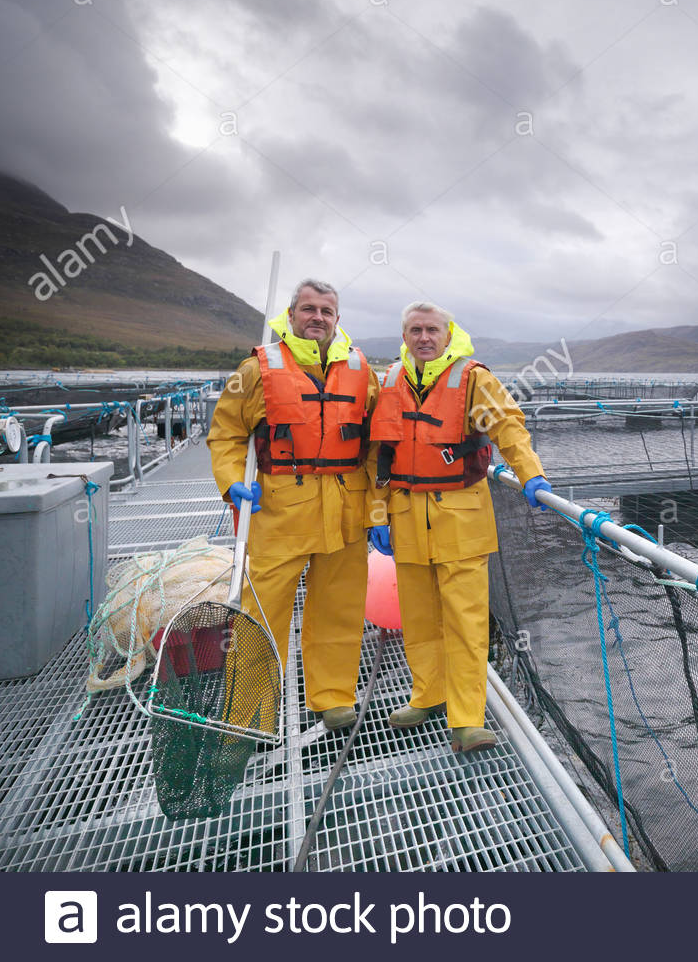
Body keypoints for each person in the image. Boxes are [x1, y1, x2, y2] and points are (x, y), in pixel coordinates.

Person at [365, 302, 551, 752]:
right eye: (415, 330)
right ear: (404, 335)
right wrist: (376, 514)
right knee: (419, 619)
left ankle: (466, 720)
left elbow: (509, 426)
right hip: (406, 518)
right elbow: (375, 458)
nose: (424, 337)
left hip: (461, 520)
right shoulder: (389, 380)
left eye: (432, 330)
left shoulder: (474, 378)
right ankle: (427, 696)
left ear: (447, 335)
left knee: (467, 624)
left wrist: (531, 475)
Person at [208, 278, 379, 732]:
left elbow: (379, 441)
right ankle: (251, 714)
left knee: (339, 610)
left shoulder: (364, 370)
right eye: (308, 309)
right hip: (280, 511)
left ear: (337, 319)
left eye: (326, 310)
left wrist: (380, 506)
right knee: (261, 613)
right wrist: (231, 485)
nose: (317, 317)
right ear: (291, 314)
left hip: (347, 510)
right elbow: (226, 434)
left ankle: (334, 697)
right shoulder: (255, 370)